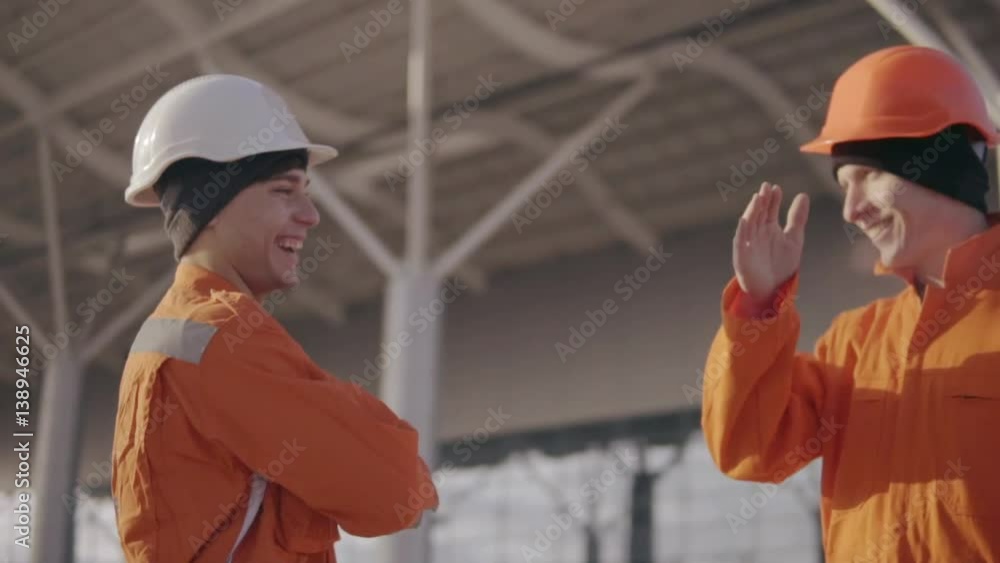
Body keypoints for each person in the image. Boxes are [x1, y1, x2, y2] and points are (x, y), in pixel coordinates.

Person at [111, 74, 438, 562]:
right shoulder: (222, 336)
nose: (311, 215)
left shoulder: (171, 334)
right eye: (284, 190)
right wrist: (344, 406)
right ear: (212, 204)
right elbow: (397, 494)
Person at [701, 45, 1000, 561]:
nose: (852, 209)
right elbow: (748, 451)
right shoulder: (853, 343)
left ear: (941, 162)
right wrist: (758, 307)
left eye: (869, 176)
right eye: (843, 186)